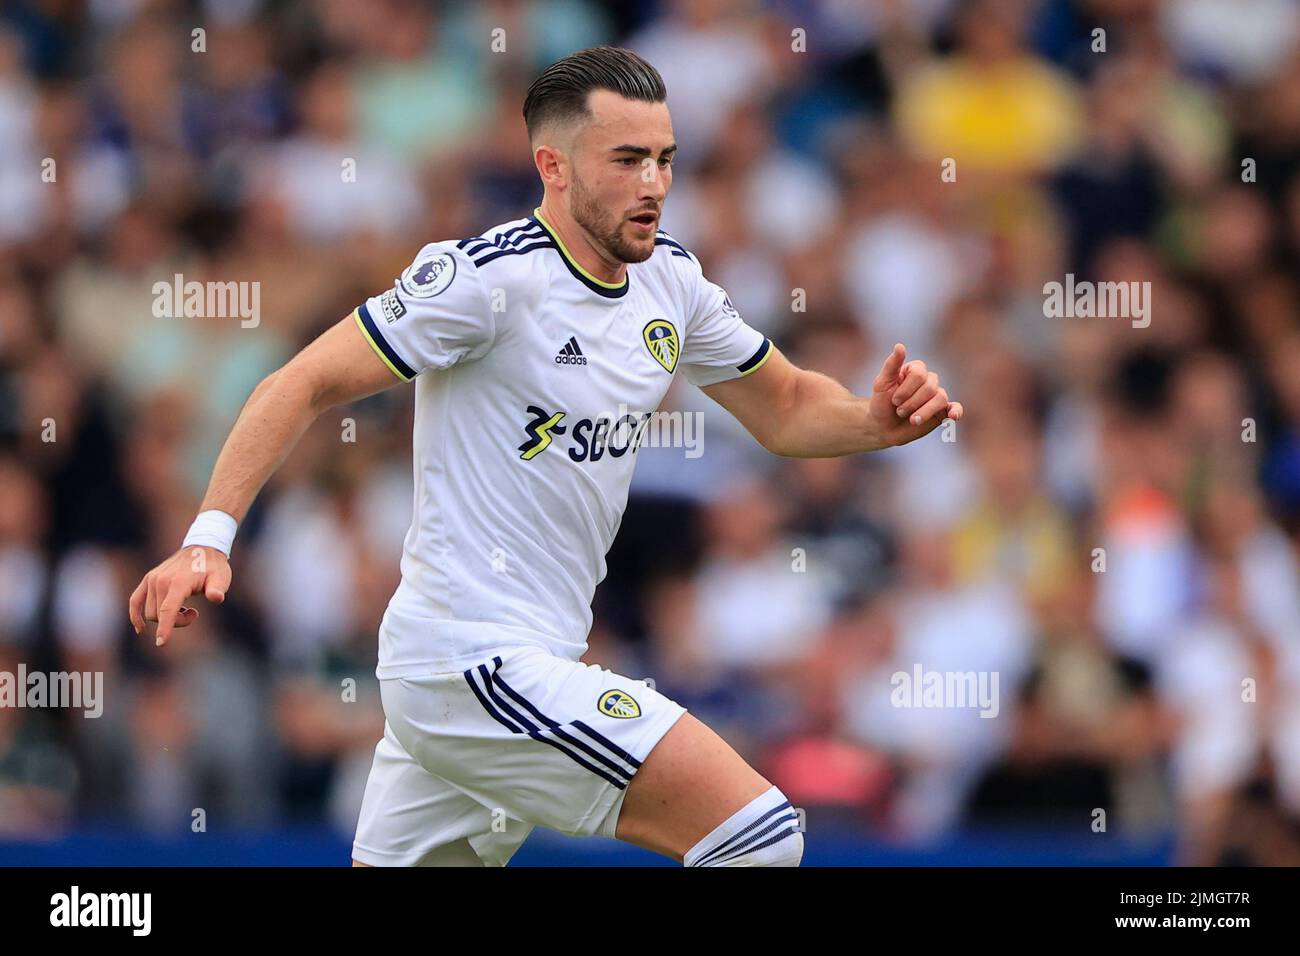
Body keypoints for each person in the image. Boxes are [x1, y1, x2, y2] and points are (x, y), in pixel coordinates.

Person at [127, 46, 962, 867]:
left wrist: (873, 420)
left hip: (514, 668)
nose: (654, 183)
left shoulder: (672, 283)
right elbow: (299, 382)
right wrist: (208, 537)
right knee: (760, 834)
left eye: (666, 159)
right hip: (470, 664)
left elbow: (785, 406)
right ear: (553, 167)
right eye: (627, 160)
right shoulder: (485, 280)